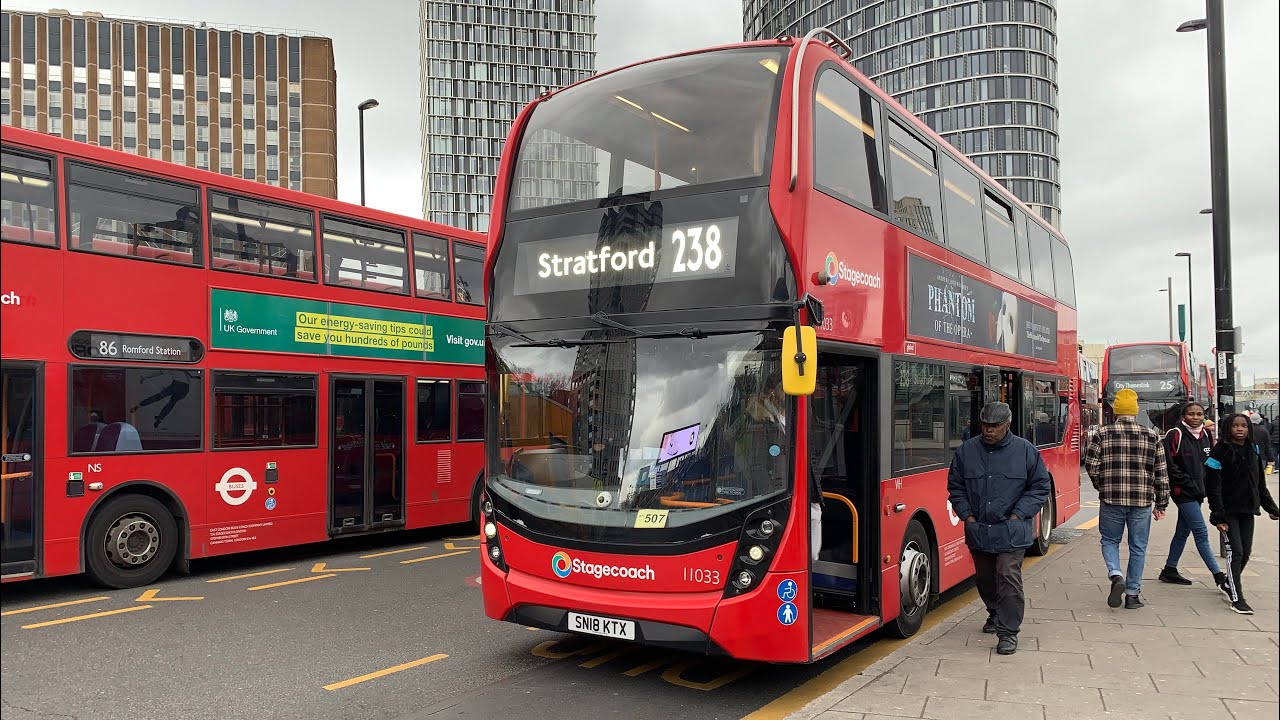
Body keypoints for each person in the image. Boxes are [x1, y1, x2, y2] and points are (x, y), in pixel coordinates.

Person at [947, 401, 1050, 656]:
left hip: (1011, 531)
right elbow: (956, 486)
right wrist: (967, 516)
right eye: (985, 425)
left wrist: (1018, 515)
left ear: (1008, 424)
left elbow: (1039, 487)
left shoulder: (1026, 451)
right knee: (984, 578)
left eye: (994, 426)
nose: (988, 431)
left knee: (1007, 576)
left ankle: (1008, 632)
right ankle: (994, 612)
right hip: (979, 529)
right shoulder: (966, 452)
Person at [1085, 388, 1169, 610]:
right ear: (1135, 411)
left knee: (1110, 540)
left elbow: (1091, 466)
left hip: (1112, 499)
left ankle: (1115, 574)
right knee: (1138, 546)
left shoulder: (1102, 434)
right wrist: (1161, 503)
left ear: (1115, 410)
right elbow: (1161, 473)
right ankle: (1132, 595)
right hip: (1141, 501)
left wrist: (1102, 486)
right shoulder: (1152, 436)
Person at [1204, 413, 1280, 615]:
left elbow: (1259, 484)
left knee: (1245, 552)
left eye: (1244, 426)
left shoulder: (1254, 449)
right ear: (1228, 428)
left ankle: (1228, 583)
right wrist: (1217, 515)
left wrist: (1271, 508)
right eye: (1236, 426)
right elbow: (1213, 486)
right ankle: (1237, 598)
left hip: (1248, 509)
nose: (1240, 429)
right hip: (1227, 511)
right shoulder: (1219, 451)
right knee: (1235, 552)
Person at [1157, 402, 1229, 592]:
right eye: (1191, 414)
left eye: (1199, 414)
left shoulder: (1206, 435)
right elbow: (1170, 466)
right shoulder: (1175, 434)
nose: (1196, 417)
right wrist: (1190, 484)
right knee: (1201, 533)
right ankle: (1219, 577)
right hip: (1184, 493)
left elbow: (1210, 464)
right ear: (1183, 416)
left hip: (1199, 492)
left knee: (1183, 531)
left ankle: (1169, 569)